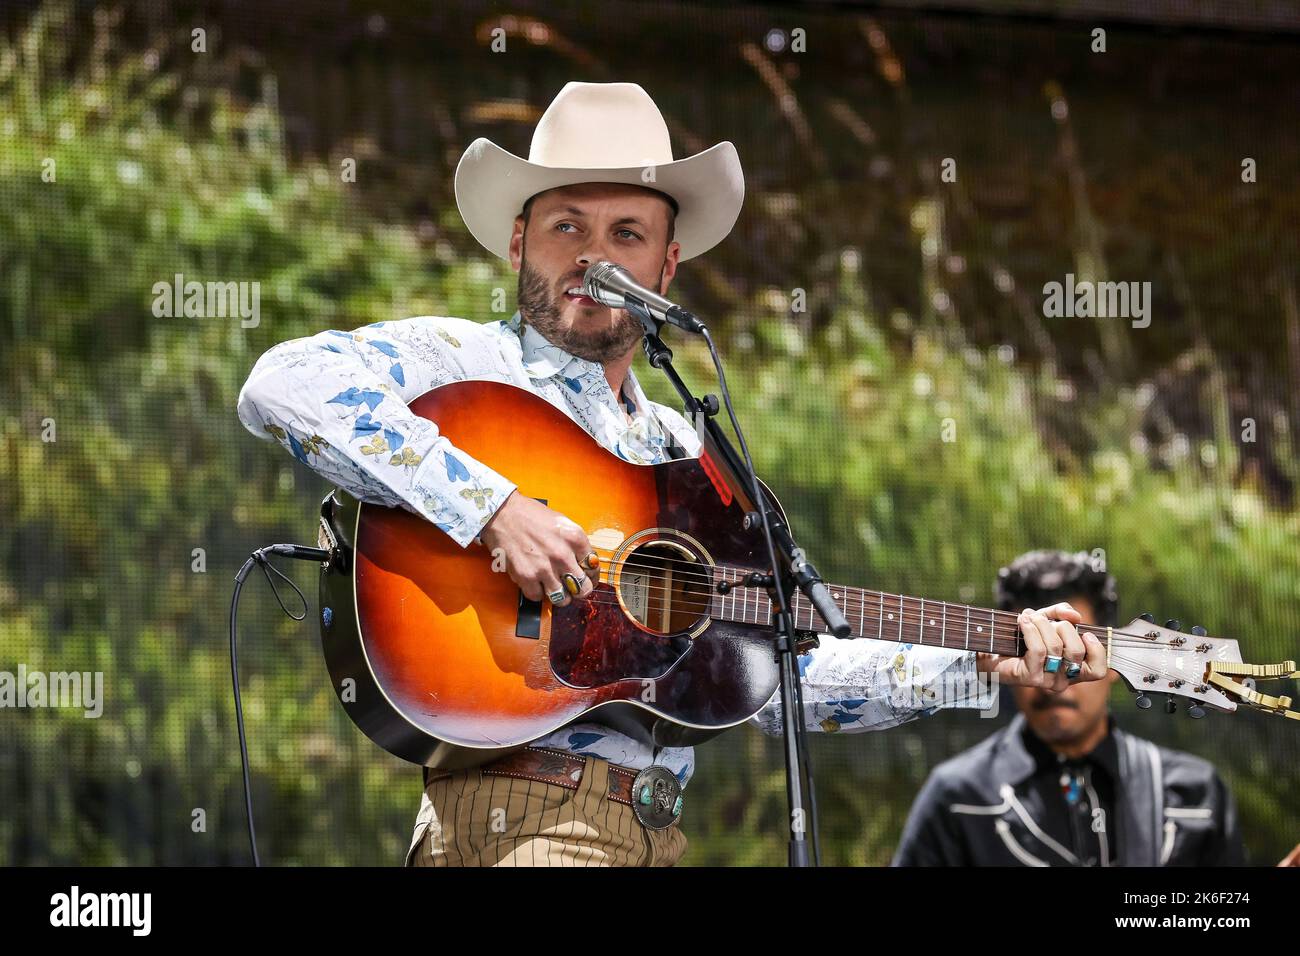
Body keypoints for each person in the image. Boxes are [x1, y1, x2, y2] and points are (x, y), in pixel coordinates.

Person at [237, 82, 1105, 867]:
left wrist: (977, 663)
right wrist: (492, 508)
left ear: (666, 268)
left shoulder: (681, 450)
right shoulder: (463, 362)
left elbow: (773, 677)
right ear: (517, 242)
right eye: (566, 225)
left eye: (626, 234)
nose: (591, 254)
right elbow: (283, 384)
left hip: (655, 835)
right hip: (520, 824)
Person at [892, 550, 1245, 866]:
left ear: (1112, 664)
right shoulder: (956, 796)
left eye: (1074, 651)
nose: (1054, 676)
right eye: (1029, 651)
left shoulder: (1196, 794)